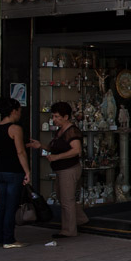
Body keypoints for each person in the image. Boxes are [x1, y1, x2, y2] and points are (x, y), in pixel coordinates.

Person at [28, 101, 88, 238]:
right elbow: (54, 148)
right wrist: (41, 146)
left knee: (67, 200)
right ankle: (80, 219)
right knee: (62, 197)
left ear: (65, 117)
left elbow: (76, 150)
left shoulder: (72, 131)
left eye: (56, 117)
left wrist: (57, 157)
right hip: (61, 169)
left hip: (69, 169)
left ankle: (69, 230)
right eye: (53, 116)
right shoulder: (60, 131)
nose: (54, 119)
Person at [0, 96, 32, 249]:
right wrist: (27, 171)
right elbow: (20, 152)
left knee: (1, 204)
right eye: (19, 110)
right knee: (11, 205)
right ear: (13, 111)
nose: (20, 113)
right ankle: (9, 239)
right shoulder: (15, 128)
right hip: (13, 170)